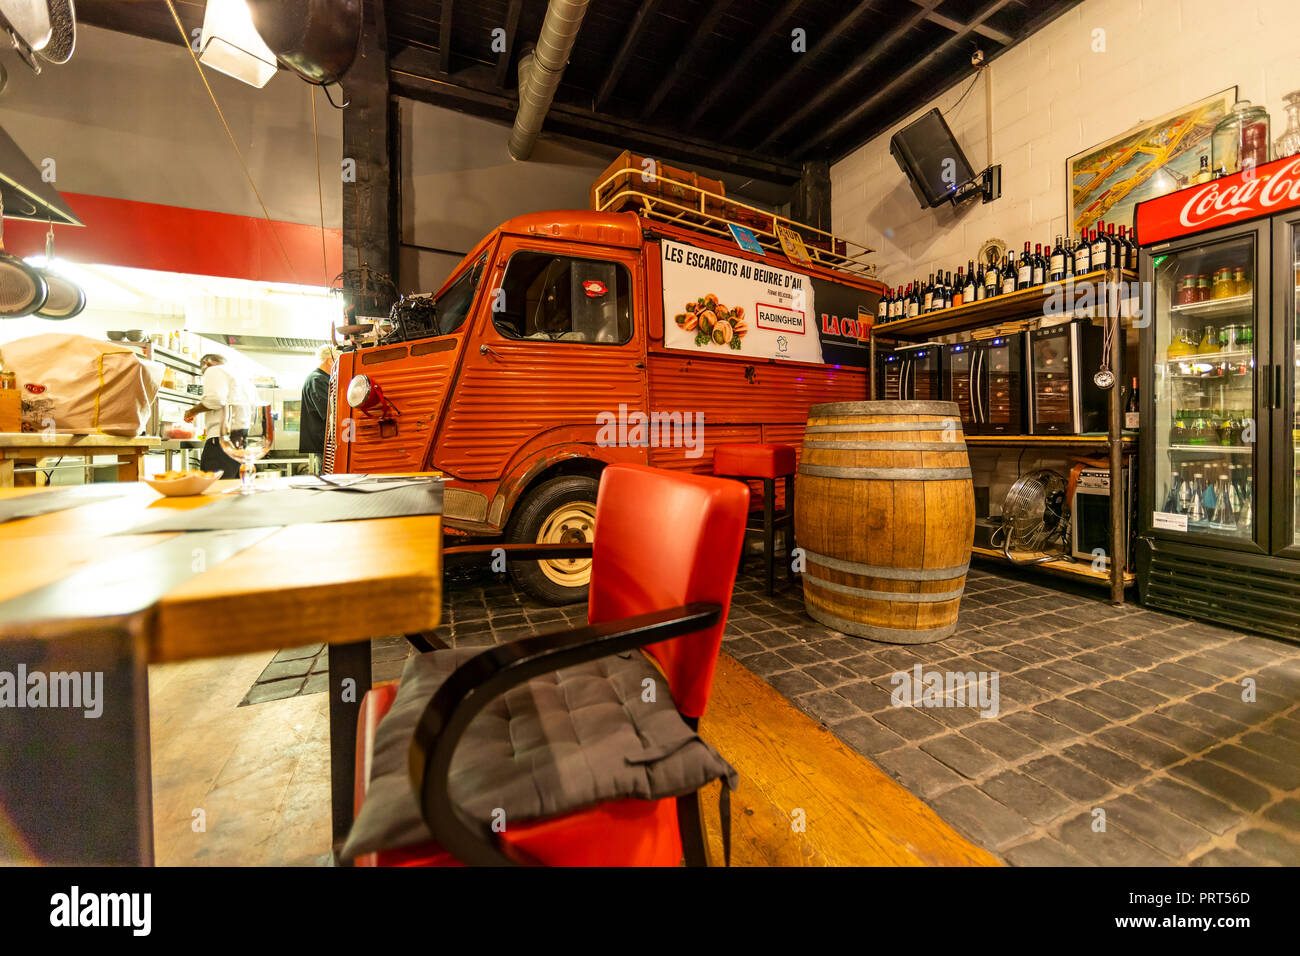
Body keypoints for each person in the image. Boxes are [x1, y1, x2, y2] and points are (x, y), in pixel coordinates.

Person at [184, 353, 251, 479]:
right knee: (233, 487)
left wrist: (192, 411)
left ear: (206, 363)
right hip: (240, 438)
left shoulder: (213, 370)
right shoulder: (238, 376)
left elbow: (215, 400)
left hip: (221, 440)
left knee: (213, 487)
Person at [300, 345, 336, 474]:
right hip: (324, 442)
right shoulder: (317, 379)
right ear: (330, 361)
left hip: (325, 441)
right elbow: (329, 412)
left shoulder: (320, 378)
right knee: (329, 478)